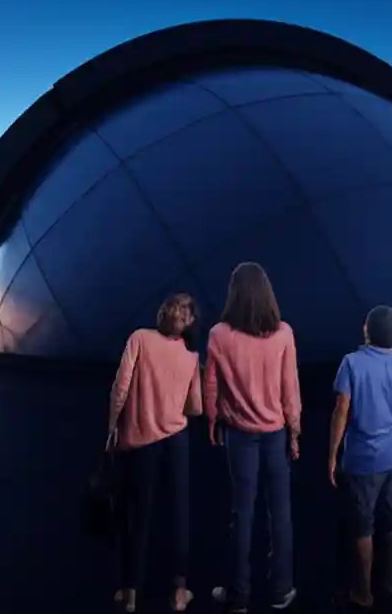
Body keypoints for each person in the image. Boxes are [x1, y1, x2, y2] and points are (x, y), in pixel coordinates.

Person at [204, 262, 301, 613]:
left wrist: (213, 421)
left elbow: (211, 384)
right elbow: (290, 389)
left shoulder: (218, 335)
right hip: (275, 432)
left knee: (241, 514)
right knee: (281, 513)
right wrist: (295, 431)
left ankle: (238, 595)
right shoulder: (284, 333)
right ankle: (281, 590)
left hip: (239, 435)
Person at [106, 293, 203, 613]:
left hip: (140, 440)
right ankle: (179, 592)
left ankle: (131, 592)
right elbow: (196, 407)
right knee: (179, 513)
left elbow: (121, 386)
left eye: (178, 308)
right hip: (176, 439)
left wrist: (111, 427)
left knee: (137, 515)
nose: (173, 310)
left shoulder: (140, 338)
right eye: (173, 306)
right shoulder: (190, 356)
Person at [327, 305, 392, 609]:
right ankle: (389, 584)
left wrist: (332, 455)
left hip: (361, 460)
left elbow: (342, 410)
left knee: (361, 526)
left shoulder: (351, 363)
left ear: (367, 329)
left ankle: (362, 592)